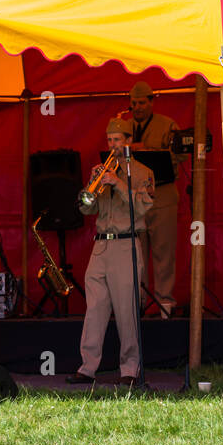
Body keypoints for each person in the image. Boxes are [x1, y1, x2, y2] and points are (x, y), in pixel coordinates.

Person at [67, 121, 155, 387]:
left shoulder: (142, 172)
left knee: (126, 309)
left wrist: (117, 183)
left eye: (117, 139)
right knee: (94, 309)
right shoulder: (102, 171)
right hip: (101, 245)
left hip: (125, 245)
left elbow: (143, 207)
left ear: (129, 141)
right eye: (109, 140)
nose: (113, 145)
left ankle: (129, 369)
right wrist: (92, 187)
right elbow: (86, 209)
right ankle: (87, 367)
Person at [110, 81, 185, 315]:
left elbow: (181, 154)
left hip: (162, 194)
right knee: (136, 254)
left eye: (142, 103)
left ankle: (165, 304)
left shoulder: (167, 124)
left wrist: (147, 149)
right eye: (134, 103)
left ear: (152, 102)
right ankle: (137, 304)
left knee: (164, 254)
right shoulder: (124, 126)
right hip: (134, 197)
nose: (138, 107)